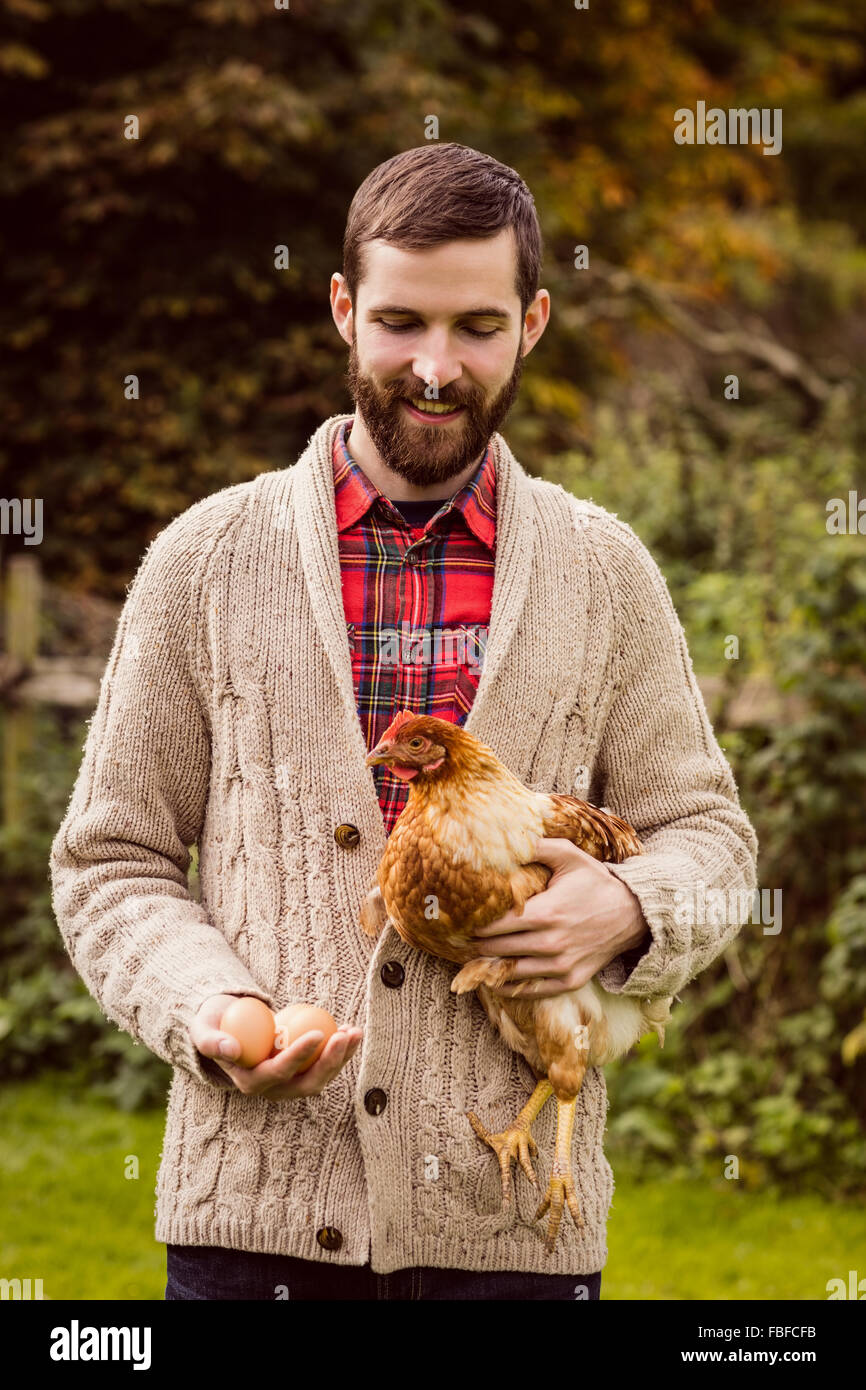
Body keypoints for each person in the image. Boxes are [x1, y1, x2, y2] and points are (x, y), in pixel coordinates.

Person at [50, 142, 758, 1301]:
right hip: (254, 1223)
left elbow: (713, 839)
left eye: (476, 327)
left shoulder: (603, 571)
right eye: (399, 323)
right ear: (342, 308)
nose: (435, 369)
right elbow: (109, 858)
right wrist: (208, 1005)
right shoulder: (202, 562)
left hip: (510, 1235)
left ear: (531, 321)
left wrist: (631, 904)